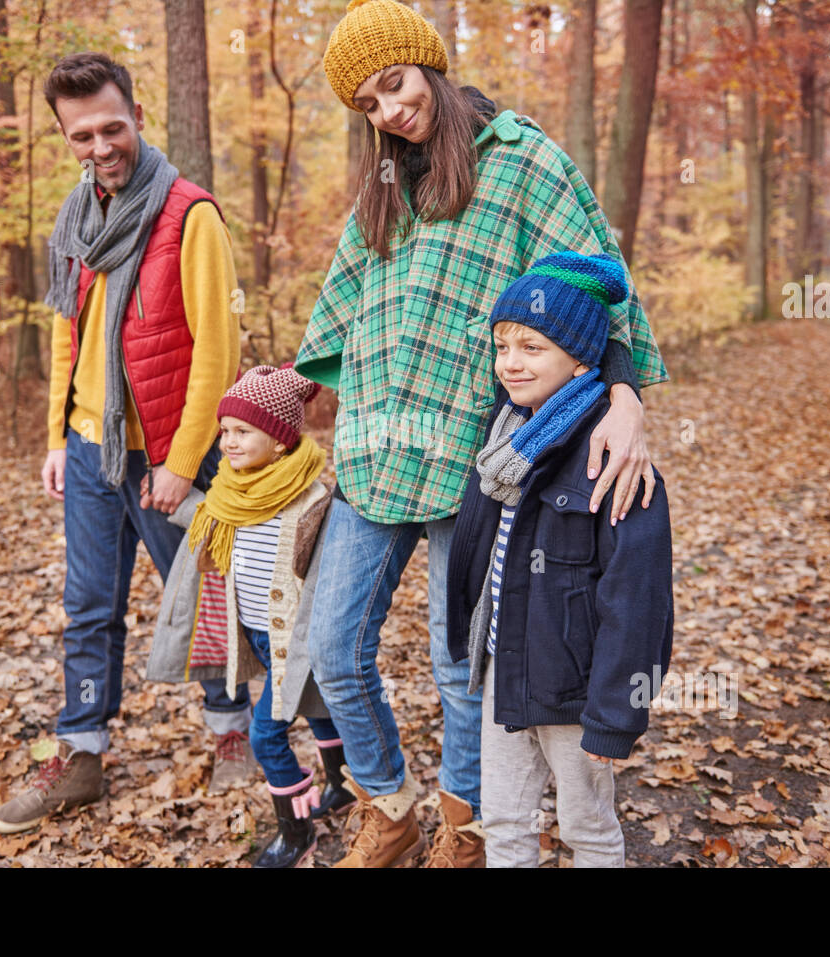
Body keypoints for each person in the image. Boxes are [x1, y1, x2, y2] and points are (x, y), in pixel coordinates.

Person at [292, 0, 669, 866]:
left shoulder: (523, 158)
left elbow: (599, 279)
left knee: (462, 661)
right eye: (368, 105)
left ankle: (464, 828)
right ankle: (389, 804)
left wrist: (625, 396)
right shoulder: (384, 182)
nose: (389, 112)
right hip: (377, 447)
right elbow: (344, 301)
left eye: (395, 85)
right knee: (332, 645)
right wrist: (295, 391)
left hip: (475, 455)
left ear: (430, 63)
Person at [0, 52, 254, 835]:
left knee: (203, 597)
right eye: (81, 135)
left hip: (173, 448)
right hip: (89, 450)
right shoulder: (75, 221)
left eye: (112, 127)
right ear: (65, 138)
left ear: (137, 117)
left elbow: (218, 348)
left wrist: (179, 461)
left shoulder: (189, 214)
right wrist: (54, 438)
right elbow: (68, 338)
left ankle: (232, 729)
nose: (100, 146)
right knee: (89, 605)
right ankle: (80, 754)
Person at [446, 251, 674, 867]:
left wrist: (614, 714)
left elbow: (638, 598)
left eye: (532, 348)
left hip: (574, 689)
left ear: (580, 359)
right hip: (505, 673)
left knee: (585, 826)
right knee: (503, 822)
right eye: (503, 346)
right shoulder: (505, 437)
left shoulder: (613, 456)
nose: (511, 363)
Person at [148, 364, 354, 867]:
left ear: (281, 441)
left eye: (243, 432)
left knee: (266, 734)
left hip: (298, 644)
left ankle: (295, 830)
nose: (229, 443)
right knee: (320, 708)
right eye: (225, 432)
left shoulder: (311, 500)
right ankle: (342, 788)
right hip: (257, 637)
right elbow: (209, 516)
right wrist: (166, 502)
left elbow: (334, 570)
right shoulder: (233, 490)